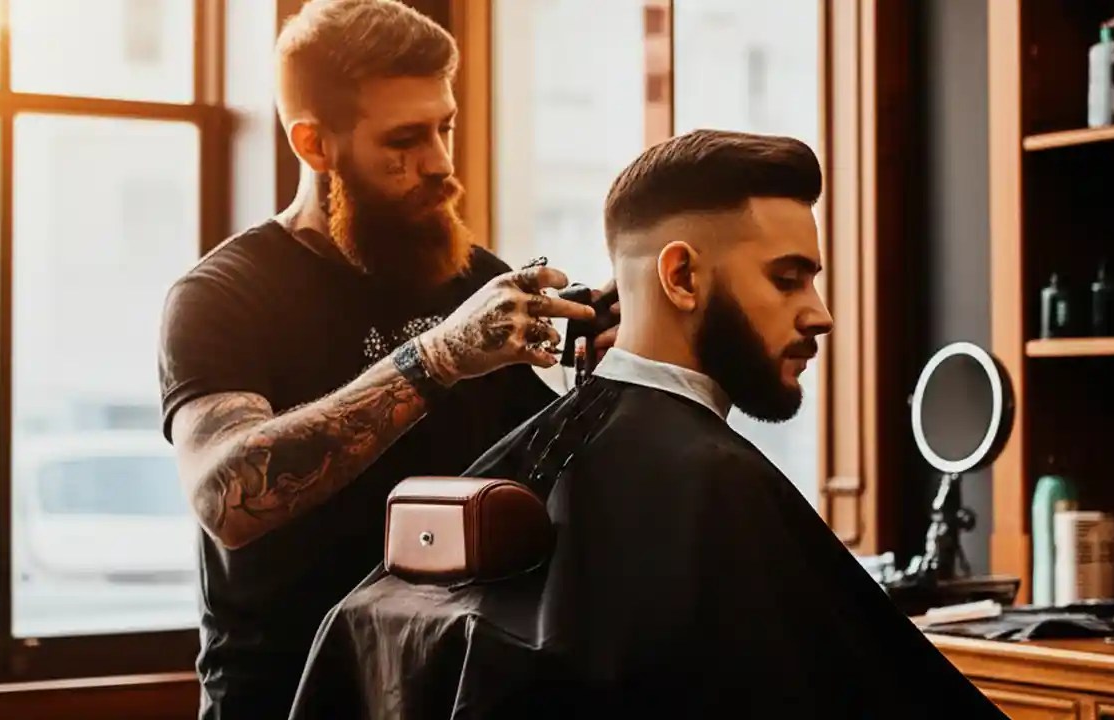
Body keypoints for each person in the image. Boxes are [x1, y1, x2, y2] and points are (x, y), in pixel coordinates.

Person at [287, 130, 1007, 718]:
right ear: (683, 278)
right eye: (787, 279)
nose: (818, 312)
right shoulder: (711, 480)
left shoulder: (581, 446)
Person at [157, 1, 612, 717]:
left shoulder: (473, 280)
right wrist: (436, 358)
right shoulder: (224, 295)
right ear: (314, 145)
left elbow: (547, 487)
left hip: (449, 688)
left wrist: (608, 372)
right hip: (286, 696)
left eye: (445, 127)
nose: (439, 162)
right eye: (404, 139)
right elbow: (225, 498)